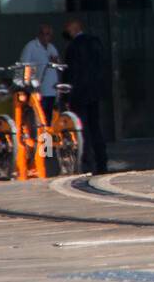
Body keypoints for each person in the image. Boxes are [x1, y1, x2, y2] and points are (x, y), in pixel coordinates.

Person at [61, 18, 108, 174]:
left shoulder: (73, 47)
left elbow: (71, 72)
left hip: (79, 92)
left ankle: (86, 162)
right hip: (94, 91)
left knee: (81, 128)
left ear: (73, 29)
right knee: (95, 127)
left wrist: (67, 95)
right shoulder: (95, 42)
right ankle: (102, 161)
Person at [18, 24, 60, 121]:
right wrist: (27, 84)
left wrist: (56, 61)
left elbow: (58, 65)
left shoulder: (51, 47)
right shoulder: (31, 46)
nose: (46, 36)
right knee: (40, 117)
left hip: (52, 90)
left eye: (48, 34)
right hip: (39, 89)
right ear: (39, 35)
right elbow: (24, 65)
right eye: (43, 34)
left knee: (51, 117)